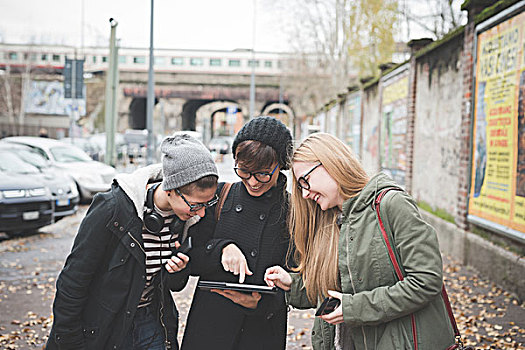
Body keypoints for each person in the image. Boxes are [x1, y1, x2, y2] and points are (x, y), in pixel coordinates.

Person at [264, 132, 456, 349]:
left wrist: (354, 308)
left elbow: (426, 280)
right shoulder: (328, 220)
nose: (305, 194)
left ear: (330, 163)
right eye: (300, 187)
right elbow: (335, 290)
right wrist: (293, 285)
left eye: (305, 182)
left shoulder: (391, 205)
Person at [46, 134, 219, 350]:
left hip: (153, 322)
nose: (201, 213)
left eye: (207, 204)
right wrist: (69, 340)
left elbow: (174, 285)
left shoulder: (187, 219)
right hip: (105, 326)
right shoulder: (113, 209)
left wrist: (177, 270)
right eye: (195, 205)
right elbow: (73, 280)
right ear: (171, 190)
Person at [181, 116, 293, 350]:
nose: (252, 182)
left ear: (281, 165)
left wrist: (262, 303)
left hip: (262, 330)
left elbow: (300, 275)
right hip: (210, 326)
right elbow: (191, 260)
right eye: (244, 171)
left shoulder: (293, 211)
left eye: (263, 174)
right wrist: (221, 248)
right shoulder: (220, 197)